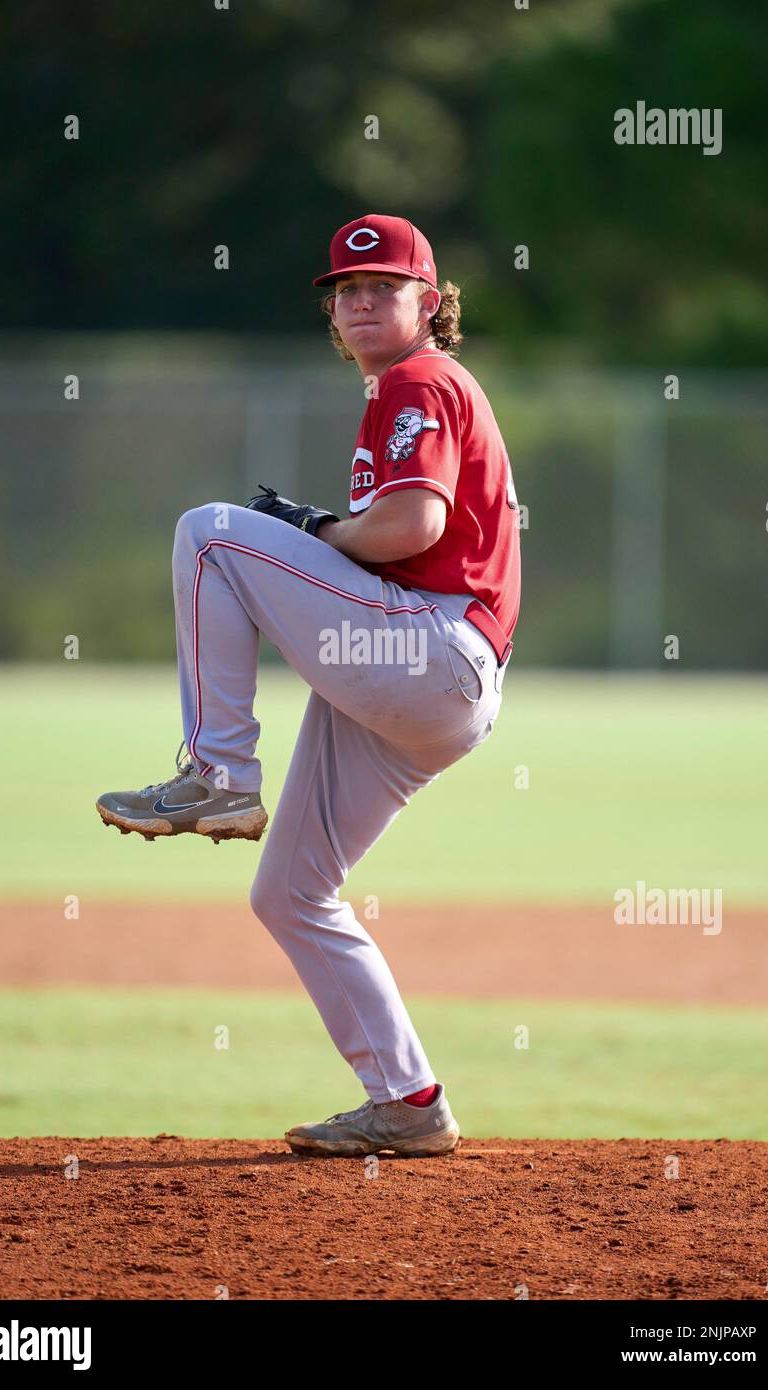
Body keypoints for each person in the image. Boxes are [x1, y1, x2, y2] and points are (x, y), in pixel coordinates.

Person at [96, 214, 521, 1158]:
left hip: (430, 652)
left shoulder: (419, 380)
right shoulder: (402, 387)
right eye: (345, 292)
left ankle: (219, 774)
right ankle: (407, 1102)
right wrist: (328, 539)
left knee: (210, 533)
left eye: (384, 287)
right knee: (290, 893)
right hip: (425, 690)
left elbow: (410, 524)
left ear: (431, 303)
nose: (361, 302)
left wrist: (322, 534)